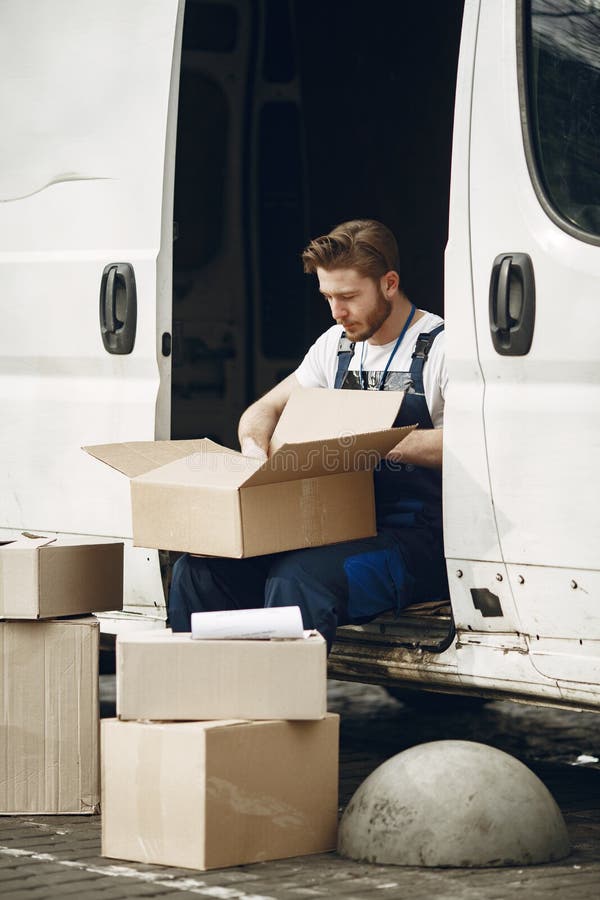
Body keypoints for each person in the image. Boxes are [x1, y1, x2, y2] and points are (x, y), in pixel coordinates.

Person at [168, 219, 448, 650]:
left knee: (298, 578)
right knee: (199, 570)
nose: (337, 312)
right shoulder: (334, 345)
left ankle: (280, 712)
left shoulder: (442, 348)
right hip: (330, 527)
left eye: (349, 297)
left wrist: (365, 441)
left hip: (414, 540)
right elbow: (262, 409)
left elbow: (469, 444)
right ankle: (204, 709)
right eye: (328, 297)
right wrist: (254, 450)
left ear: (389, 284)